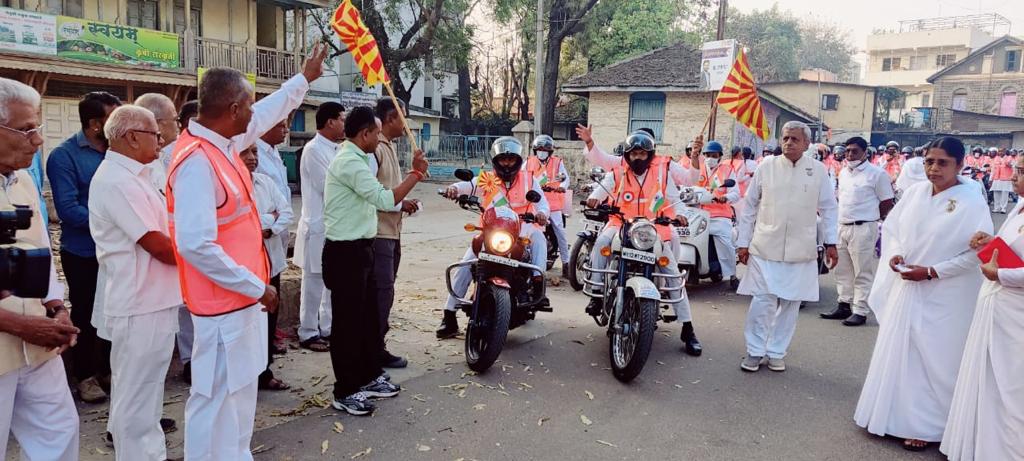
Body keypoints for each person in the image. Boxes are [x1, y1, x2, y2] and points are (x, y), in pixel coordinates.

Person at [167, 44, 326, 459]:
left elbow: (272, 109)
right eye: (249, 106)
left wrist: (304, 79)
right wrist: (255, 287)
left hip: (237, 303)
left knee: (237, 395)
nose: (256, 114)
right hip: (223, 306)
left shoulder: (224, 142)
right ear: (235, 108)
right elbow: (194, 244)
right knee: (214, 398)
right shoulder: (197, 162)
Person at [854, 137, 994, 452]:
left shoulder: (972, 200)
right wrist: (897, 254)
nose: (933, 168)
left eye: (942, 162)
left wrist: (932, 272)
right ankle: (891, 417)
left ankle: (929, 427)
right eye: (929, 161)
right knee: (904, 352)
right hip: (909, 285)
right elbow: (893, 230)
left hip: (948, 293)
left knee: (936, 359)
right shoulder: (916, 192)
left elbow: (979, 253)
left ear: (960, 165)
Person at [89, 105, 182, 460]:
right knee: (134, 399)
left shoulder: (140, 174)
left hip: (155, 299)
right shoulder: (116, 180)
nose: (160, 142)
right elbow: (158, 245)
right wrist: (206, 254)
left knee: (149, 396)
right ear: (130, 137)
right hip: (139, 302)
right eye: (154, 135)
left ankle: (152, 455)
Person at [322, 106, 428, 416]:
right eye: (376, 132)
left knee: (367, 318)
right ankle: (345, 389)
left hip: (361, 249)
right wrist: (416, 175)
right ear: (365, 133)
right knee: (347, 325)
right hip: (345, 253)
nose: (379, 137)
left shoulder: (359, 159)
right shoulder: (348, 163)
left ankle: (367, 375)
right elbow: (384, 199)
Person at [0, 77, 79, 461]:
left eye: (38, 128)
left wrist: (56, 307)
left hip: (38, 342)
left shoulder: (25, 182)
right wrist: (20, 325)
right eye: (26, 129)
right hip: (8, 341)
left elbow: (41, 251)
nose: (38, 140)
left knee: (59, 433)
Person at [584, 132, 702, 355]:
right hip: (620, 224)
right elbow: (603, 190)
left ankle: (688, 328)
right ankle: (597, 292)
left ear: (650, 154)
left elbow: (680, 190)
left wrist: (679, 214)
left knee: (673, 273)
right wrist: (595, 199)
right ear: (627, 155)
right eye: (634, 153)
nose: (638, 157)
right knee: (601, 243)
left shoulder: (662, 171)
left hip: (651, 229)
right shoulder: (618, 171)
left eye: (642, 153)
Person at [735, 121, 839, 372]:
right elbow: (749, 206)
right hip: (765, 245)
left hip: (800, 249)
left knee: (791, 304)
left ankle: (776, 352)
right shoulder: (766, 167)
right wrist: (742, 243)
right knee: (763, 301)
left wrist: (831, 242)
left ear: (806, 143)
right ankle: (755, 350)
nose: (789, 143)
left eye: (794, 139)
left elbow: (828, 208)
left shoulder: (818, 170)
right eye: (785, 138)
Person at [941, 153, 1024, 460]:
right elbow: (1011, 247)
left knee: (1011, 387)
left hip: (1016, 311)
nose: (1014, 176)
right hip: (996, 304)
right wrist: (990, 242)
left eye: (1022, 172)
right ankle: (984, 446)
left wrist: (1000, 273)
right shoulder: (1018, 207)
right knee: (987, 380)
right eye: (1015, 170)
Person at [46, 90, 121, 403]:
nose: (120, 124)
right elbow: (67, 210)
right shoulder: (63, 156)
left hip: (116, 251)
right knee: (88, 314)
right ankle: (85, 376)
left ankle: (107, 369)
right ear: (94, 124)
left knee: (114, 312)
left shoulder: (117, 151)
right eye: (112, 118)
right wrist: (116, 221)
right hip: (83, 252)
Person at [437, 137, 551, 339]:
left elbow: (542, 203)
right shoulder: (487, 178)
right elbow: (467, 186)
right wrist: (453, 189)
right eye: (503, 160)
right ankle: (449, 314)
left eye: (511, 160)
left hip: (523, 227)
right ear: (495, 160)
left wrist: (542, 214)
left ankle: (536, 283)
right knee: (467, 261)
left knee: (540, 240)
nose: (507, 164)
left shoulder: (529, 179)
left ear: (518, 160)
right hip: (492, 228)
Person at [819, 137, 894, 326]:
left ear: (864, 152)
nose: (850, 154)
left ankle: (860, 310)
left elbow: (887, 202)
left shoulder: (877, 174)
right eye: (848, 151)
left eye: (854, 151)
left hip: (863, 227)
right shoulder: (843, 172)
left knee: (862, 271)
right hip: (842, 226)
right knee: (842, 269)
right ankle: (844, 304)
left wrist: (871, 217)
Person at [371, 97, 419, 369]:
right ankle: (373, 350)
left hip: (392, 231)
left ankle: (378, 346)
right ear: (390, 119)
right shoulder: (374, 149)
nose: (406, 125)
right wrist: (416, 175)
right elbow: (377, 197)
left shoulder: (387, 147)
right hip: (378, 234)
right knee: (380, 293)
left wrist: (403, 204)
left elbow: (389, 193)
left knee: (385, 293)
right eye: (403, 118)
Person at [239, 144, 292, 391]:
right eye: (245, 153)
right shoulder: (230, 187)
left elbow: (286, 212)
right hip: (244, 265)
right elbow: (243, 224)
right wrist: (266, 218)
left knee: (269, 317)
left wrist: (269, 226)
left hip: (271, 261)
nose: (252, 158)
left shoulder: (265, 183)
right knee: (246, 321)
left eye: (254, 152)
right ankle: (245, 375)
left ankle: (264, 370)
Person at [295, 102, 345, 353]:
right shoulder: (314, 150)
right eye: (342, 120)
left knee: (330, 281)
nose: (344, 125)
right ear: (330, 122)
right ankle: (308, 331)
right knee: (313, 281)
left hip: (333, 225)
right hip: (317, 224)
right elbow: (329, 186)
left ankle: (327, 327)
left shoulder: (337, 149)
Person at [172, 99, 199, 383]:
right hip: (179, 242)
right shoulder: (170, 154)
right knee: (184, 309)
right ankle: (189, 358)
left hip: (196, 237)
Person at [691, 140, 741, 289]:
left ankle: (732, 275)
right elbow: (688, 182)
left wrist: (726, 197)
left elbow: (736, 193)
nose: (710, 158)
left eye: (714, 155)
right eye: (707, 155)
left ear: (719, 156)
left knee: (726, 242)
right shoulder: (697, 168)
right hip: (698, 212)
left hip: (719, 213)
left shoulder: (727, 169)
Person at [525, 134, 572, 277]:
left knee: (560, 231)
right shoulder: (528, 162)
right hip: (534, 202)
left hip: (552, 202)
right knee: (526, 229)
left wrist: (562, 186)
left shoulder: (557, 162)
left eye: (545, 149)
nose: (542, 151)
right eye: (539, 149)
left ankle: (566, 262)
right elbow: (520, 176)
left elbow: (565, 178)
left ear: (550, 152)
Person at [134, 93, 180, 195]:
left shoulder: (183, 150)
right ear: (157, 123)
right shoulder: (139, 160)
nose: (178, 125)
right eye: (175, 120)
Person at [990, 147, 1013, 213]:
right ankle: (996, 208)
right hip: (996, 178)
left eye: (1002, 151)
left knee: (1004, 194)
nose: (1000, 152)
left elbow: (1012, 165)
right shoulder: (996, 158)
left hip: (1006, 179)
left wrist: (1008, 163)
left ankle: (1003, 208)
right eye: (999, 151)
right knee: (996, 193)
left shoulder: (1009, 157)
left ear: (1005, 151)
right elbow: (993, 169)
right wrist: (990, 179)